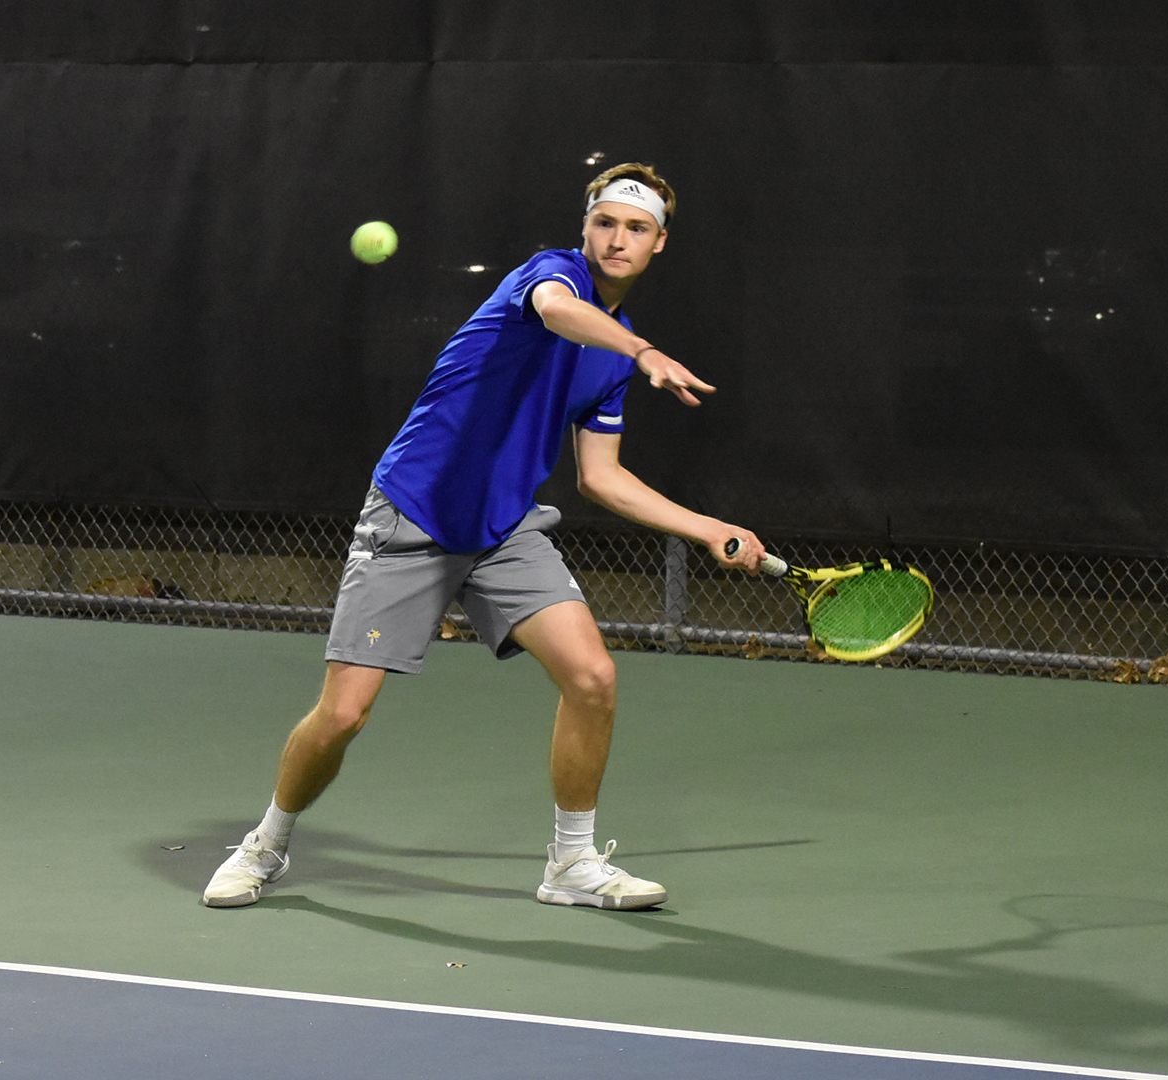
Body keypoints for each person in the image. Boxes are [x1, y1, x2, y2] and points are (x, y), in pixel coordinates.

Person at [203, 163, 765, 910]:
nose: (616, 238)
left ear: (660, 243)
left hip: (502, 530)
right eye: (605, 222)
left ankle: (571, 865)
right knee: (344, 713)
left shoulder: (616, 352)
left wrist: (708, 528)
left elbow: (601, 477)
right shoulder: (551, 278)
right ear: (586, 228)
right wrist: (643, 352)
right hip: (412, 515)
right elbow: (559, 311)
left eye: (636, 228)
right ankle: (265, 844)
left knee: (593, 678)